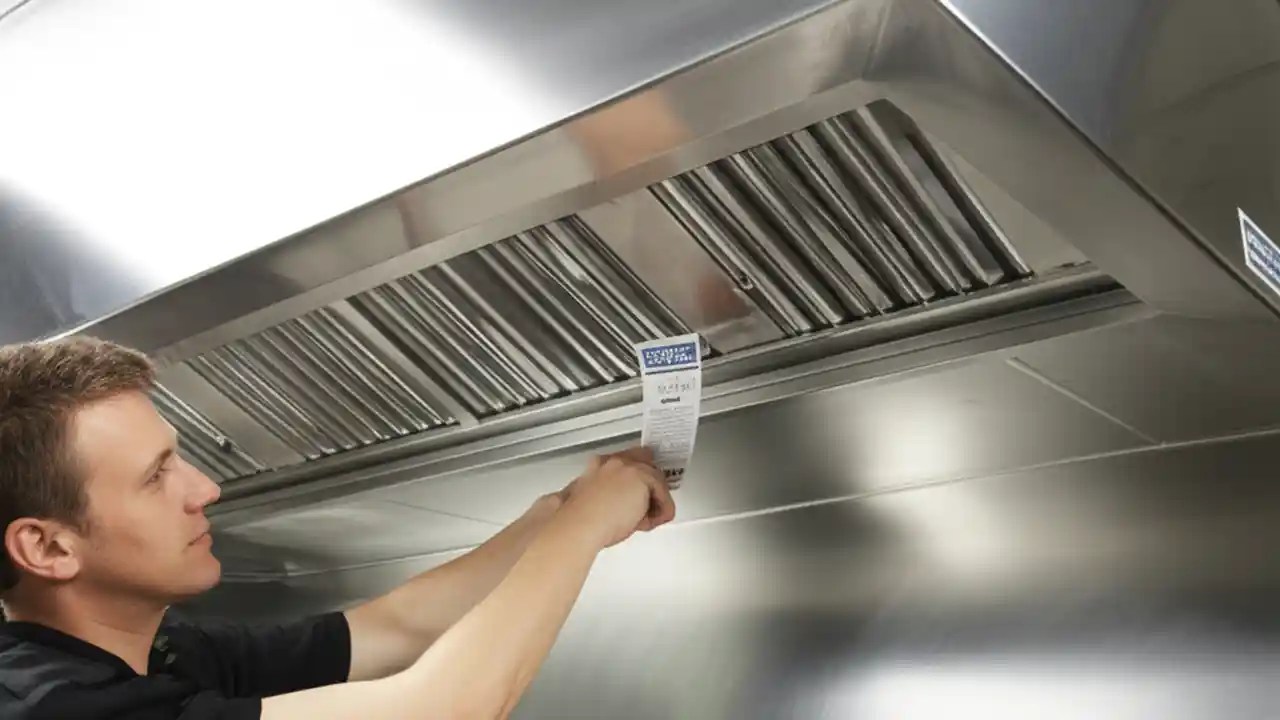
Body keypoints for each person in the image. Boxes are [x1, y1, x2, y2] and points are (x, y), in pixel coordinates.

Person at [0, 336, 677, 719]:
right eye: (156, 476)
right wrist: (585, 526)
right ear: (48, 546)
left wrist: (553, 514)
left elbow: (390, 631)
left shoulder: (159, 649)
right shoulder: (53, 710)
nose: (205, 489)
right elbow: (445, 709)